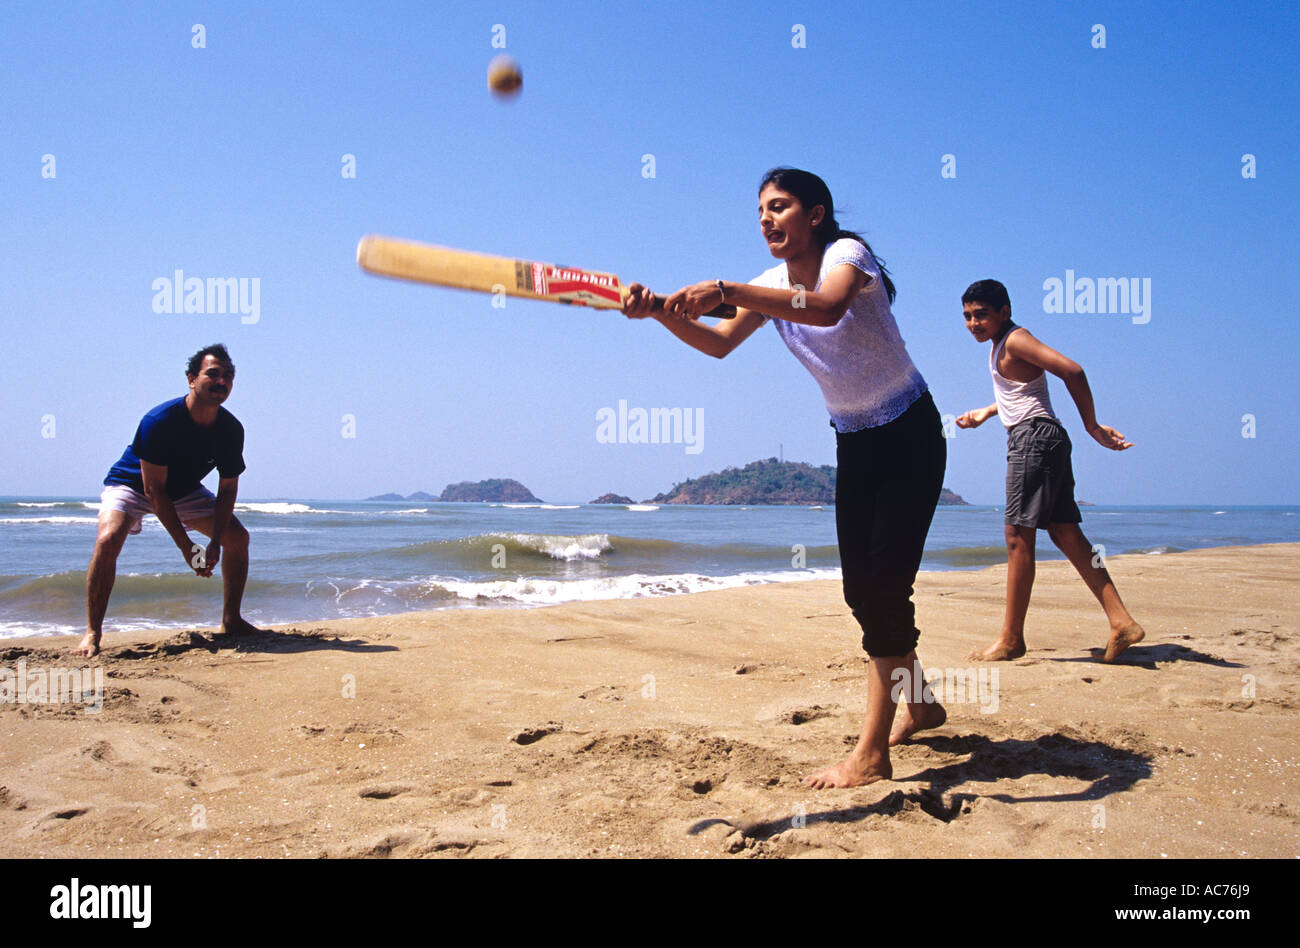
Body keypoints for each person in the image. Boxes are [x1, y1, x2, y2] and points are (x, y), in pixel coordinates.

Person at [623, 167, 947, 789]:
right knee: (863, 591)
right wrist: (662, 313)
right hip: (855, 442)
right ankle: (921, 702)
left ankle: (872, 752)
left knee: (884, 588)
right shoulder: (768, 285)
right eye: (761, 212)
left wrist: (724, 288)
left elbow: (824, 309)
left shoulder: (847, 257)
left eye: (781, 207)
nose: (768, 219)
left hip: (909, 433)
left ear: (816, 213)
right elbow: (719, 345)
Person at [955, 279, 1144, 663]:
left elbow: (1072, 371)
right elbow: (1020, 392)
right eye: (968, 317)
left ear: (1004, 311)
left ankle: (1010, 639)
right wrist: (986, 412)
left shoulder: (1015, 340)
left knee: (1017, 536)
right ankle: (1121, 621)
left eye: (982, 315)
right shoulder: (1000, 346)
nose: (974, 323)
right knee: (1065, 532)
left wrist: (1092, 426)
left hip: (1034, 440)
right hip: (1042, 437)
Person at [78, 344, 257, 657]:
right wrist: (187, 547)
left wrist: (215, 540)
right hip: (133, 485)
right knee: (107, 539)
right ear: (191, 379)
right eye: (212, 374)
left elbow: (227, 489)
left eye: (228, 376)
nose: (222, 382)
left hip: (184, 489)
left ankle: (231, 619)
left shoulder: (230, 429)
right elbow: (154, 491)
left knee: (238, 538)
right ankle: (92, 633)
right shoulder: (159, 420)